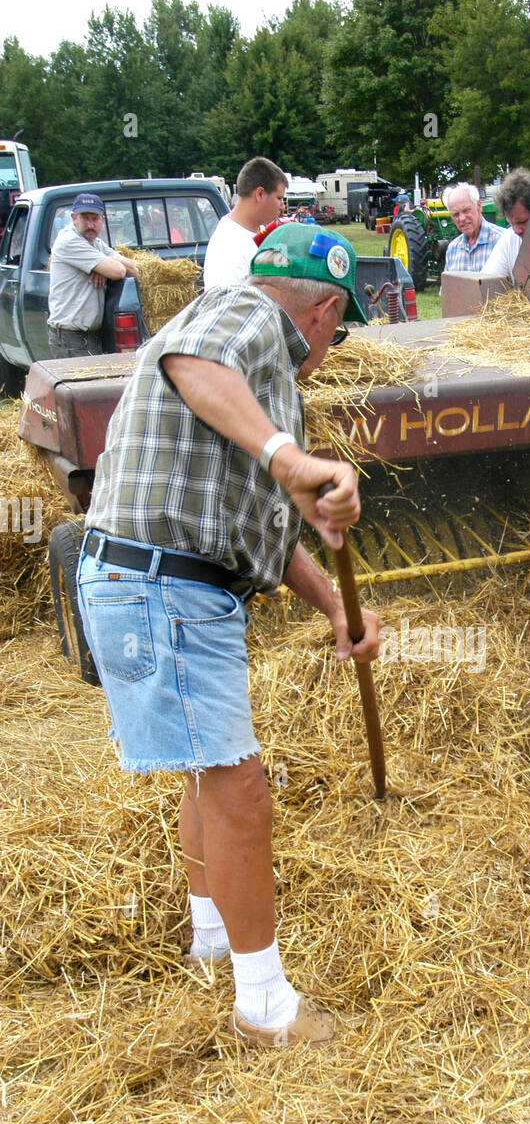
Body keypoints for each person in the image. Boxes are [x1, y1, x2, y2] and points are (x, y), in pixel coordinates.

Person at [77, 223, 380, 1049]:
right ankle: (266, 1008)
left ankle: (212, 943)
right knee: (242, 792)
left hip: (163, 580)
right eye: (339, 329)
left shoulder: (264, 392)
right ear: (321, 312)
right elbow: (191, 364)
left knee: (209, 777)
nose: (328, 343)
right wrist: (287, 458)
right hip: (161, 579)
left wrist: (337, 608)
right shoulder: (249, 318)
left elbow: (270, 535)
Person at [47, 193, 140, 359]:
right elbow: (118, 272)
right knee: (83, 385)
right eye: (85, 218)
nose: (90, 224)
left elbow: (133, 268)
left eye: (94, 219)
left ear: (102, 220)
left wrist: (101, 264)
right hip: (72, 338)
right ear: (73, 218)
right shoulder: (69, 240)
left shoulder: (94, 243)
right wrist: (105, 265)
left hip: (90, 336)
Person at [203, 157, 288, 290]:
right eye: (279, 198)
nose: (282, 207)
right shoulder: (228, 248)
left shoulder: (259, 231)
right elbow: (229, 308)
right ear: (260, 194)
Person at [480, 168, 530, 280]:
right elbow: (487, 282)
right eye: (511, 223)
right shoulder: (509, 239)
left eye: (522, 222)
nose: (516, 230)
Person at [442, 183, 503, 273]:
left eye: (466, 210)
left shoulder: (502, 241)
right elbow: (447, 286)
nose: (462, 218)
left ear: (478, 206)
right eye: (456, 214)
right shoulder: (453, 249)